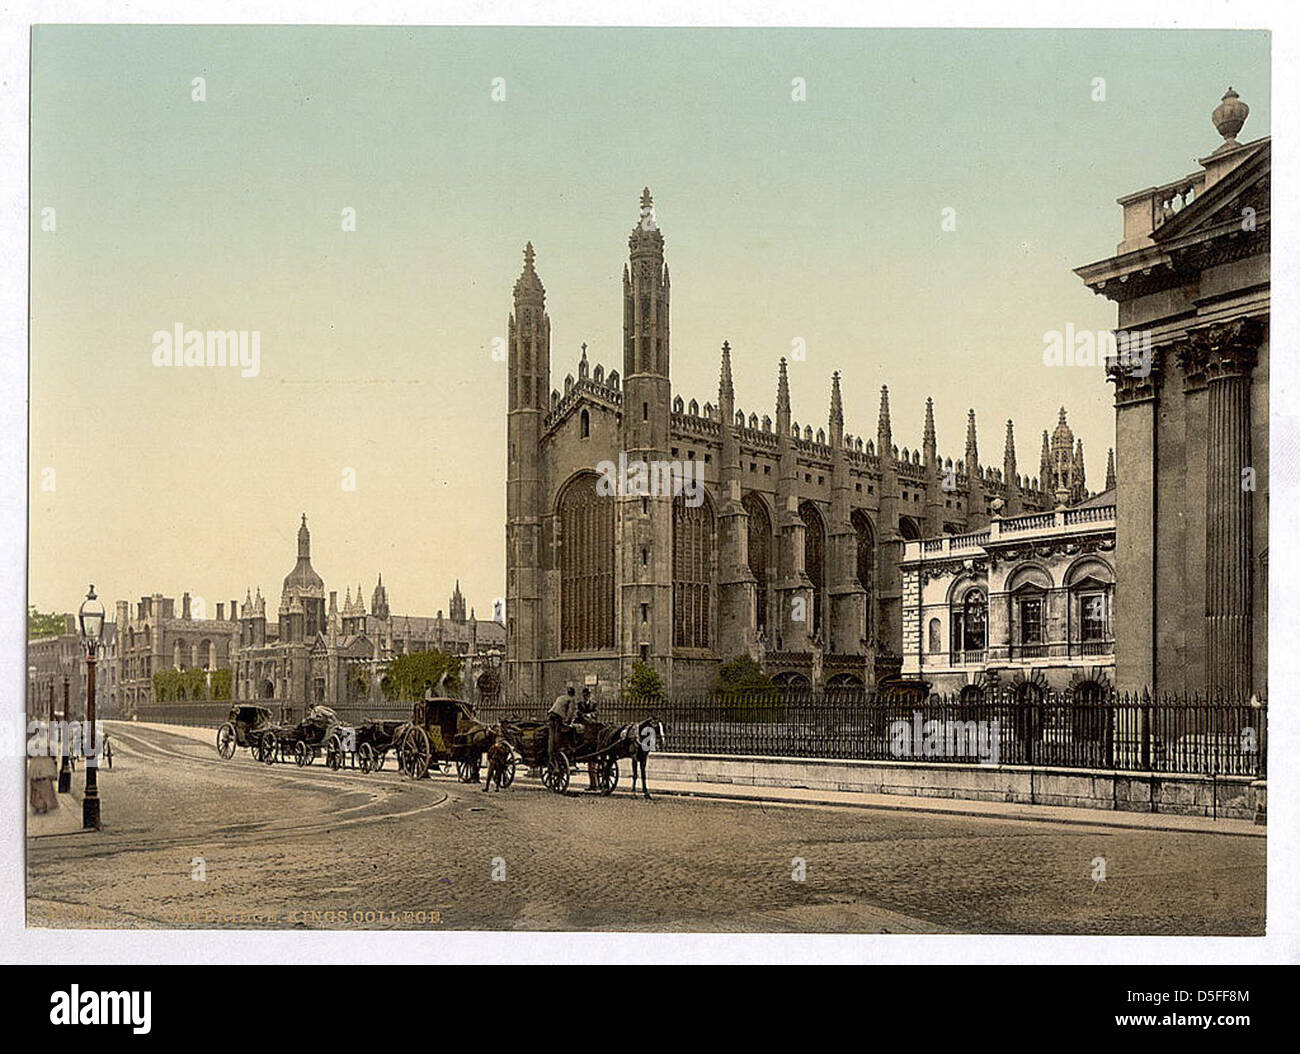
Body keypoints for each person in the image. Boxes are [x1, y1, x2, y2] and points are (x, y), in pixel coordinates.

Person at [548, 686, 576, 770]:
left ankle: (551, 748)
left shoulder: (561, 697)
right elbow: (570, 712)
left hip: (551, 714)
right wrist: (568, 722)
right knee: (559, 732)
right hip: (558, 716)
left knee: (552, 732)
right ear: (573, 694)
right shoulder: (571, 699)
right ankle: (557, 747)